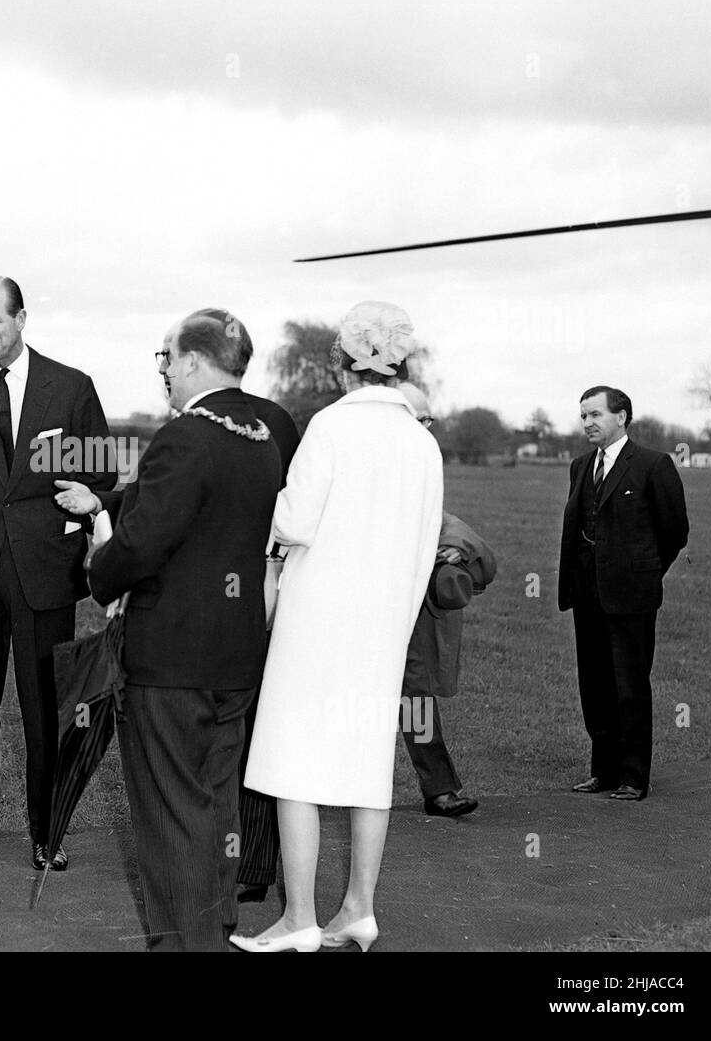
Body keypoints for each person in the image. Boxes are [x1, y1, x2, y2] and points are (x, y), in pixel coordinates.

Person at [56, 308, 280, 951]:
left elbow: (140, 544)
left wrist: (100, 563)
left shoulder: (186, 436)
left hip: (172, 660)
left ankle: (188, 944)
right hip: (237, 652)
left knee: (170, 816)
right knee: (216, 804)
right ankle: (217, 925)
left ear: (191, 361)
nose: (162, 370)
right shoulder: (262, 435)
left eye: (165, 357)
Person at [232, 301, 442, 953]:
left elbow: (292, 522)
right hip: (383, 623)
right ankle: (358, 907)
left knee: (293, 761)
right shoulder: (423, 441)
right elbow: (426, 540)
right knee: (365, 764)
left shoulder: (329, 427)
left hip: (317, 616)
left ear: (343, 367)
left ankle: (300, 917)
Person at [0, 276, 115, 871]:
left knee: (45, 711)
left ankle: (46, 832)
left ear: (22, 318)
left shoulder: (70, 386)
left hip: (44, 574)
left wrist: (89, 492)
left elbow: (105, 473)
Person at [559, 386, 688, 802]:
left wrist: (644, 571)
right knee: (595, 685)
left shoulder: (653, 465)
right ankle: (604, 771)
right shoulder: (581, 466)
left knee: (629, 685)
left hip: (631, 596)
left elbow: (674, 530)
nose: (587, 423)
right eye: (583, 416)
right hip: (588, 593)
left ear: (622, 416)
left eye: (595, 414)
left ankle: (634, 777)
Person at [398, 384, 497, 819]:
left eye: (428, 421)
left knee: (415, 695)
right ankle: (302, 793)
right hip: (352, 604)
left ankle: (439, 790)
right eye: (415, 420)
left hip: (409, 606)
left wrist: (453, 548)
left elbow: (444, 523)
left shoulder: (422, 465)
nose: (424, 429)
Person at [234, 391, 300, 903]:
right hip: (250, 603)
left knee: (254, 734)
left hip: (270, 609)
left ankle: (252, 864)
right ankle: (248, 863)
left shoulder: (289, 504)